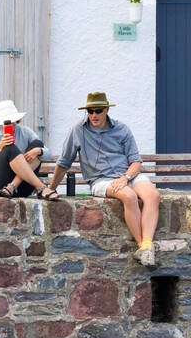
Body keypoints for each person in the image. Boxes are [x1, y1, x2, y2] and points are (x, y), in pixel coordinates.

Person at [47, 92, 161, 266]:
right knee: (129, 196)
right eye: (90, 111)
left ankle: (146, 245)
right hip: (101, 180)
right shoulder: (77, 130)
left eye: (98, 110)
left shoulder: (122, 129)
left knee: (153, 195)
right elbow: (64, 162)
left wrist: (125, 177)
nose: (94, 115)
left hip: (128, 175)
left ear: (107, 110)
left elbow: (136, 161)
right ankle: (142, 247)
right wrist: (51, 187)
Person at [0, 99, 57, 200]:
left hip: (22, 187)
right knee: (10, 148)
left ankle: (13, 185)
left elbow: (48, 154)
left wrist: (38, 151)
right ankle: (42, 188)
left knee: (38, 145)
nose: (12, 123)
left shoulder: (24, 131)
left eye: (12, 119)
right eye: (7, 120)